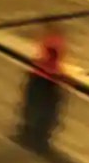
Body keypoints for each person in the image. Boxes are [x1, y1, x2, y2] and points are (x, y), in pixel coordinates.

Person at [16, 22, 66, 152]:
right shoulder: (55, 42)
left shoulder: (50, 43)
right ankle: (39, 130)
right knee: (46, 107)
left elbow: (46, 59)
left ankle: (33, 128)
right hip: (48, 78)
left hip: (42, 77)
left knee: (35, 104)